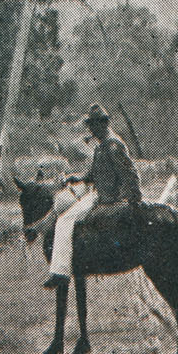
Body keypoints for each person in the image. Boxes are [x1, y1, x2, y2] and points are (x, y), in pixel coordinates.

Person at [45, 104, 142, 289]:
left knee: (65, 220)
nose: (90, 130)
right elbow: (93, 173)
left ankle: (60, 271)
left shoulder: (113, 145)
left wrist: (134, 199)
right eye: (89, 125)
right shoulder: (102, 146)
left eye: (92, 125)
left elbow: (131, 173)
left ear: (103, 124)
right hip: (98, 193)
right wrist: (78, 178)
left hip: (106, 197)